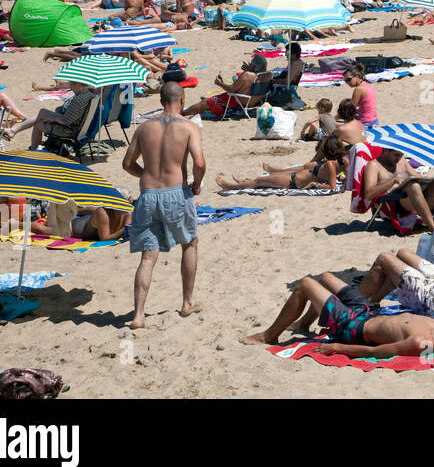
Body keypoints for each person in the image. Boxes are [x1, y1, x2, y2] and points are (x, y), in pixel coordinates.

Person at [239, 270, 434, 357]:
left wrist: (339, 348)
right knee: (326, 278)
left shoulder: (424, 344)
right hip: (368, 311)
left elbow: (375, 352)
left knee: (306, 284)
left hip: (352, 327)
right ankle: (303, 325)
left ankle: (269, 335)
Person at [123, 81, 206, 328]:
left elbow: (127, 163)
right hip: (176, 193)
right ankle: (187, 301)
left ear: (161, 101)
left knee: (148, 256)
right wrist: (197, 184)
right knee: (189, 242)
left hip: (148, 194)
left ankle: (138, 315)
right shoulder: (189, 127)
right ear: (182, 99)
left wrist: (146, 174)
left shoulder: (145, 128)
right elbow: (199, 163)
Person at [358, 146, 434, 232]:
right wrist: (393, 181)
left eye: (401, 155)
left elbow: (418, 177)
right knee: (413, 185)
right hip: (397, 206)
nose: (399, 158)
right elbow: (369, 194)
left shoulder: (402, 161)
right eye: (396, 155)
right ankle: (433, 228)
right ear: (386, 150)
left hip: (419, 200)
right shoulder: (373, 165)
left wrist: (429, 180)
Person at [217, 136, 346, 191]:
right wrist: (339, 177)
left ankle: (232, 187)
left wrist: (315, 184)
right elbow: (333, 176)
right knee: (263, 179)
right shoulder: (341, 161)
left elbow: (332, 187)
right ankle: (243, 182)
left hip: (294, 181)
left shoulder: (330, 164)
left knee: (259, 181)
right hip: (296, 175)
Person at [6, 82, 97, 149]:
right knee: (43, 114)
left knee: (39, 121)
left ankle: (32, 149)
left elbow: (65, 121)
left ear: (78, 85)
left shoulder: (78, 99)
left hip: (70, 131)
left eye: (72, 85)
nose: (71, 88)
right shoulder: (91, 95)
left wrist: (51, 118)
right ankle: (14, 131)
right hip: (81, 130)